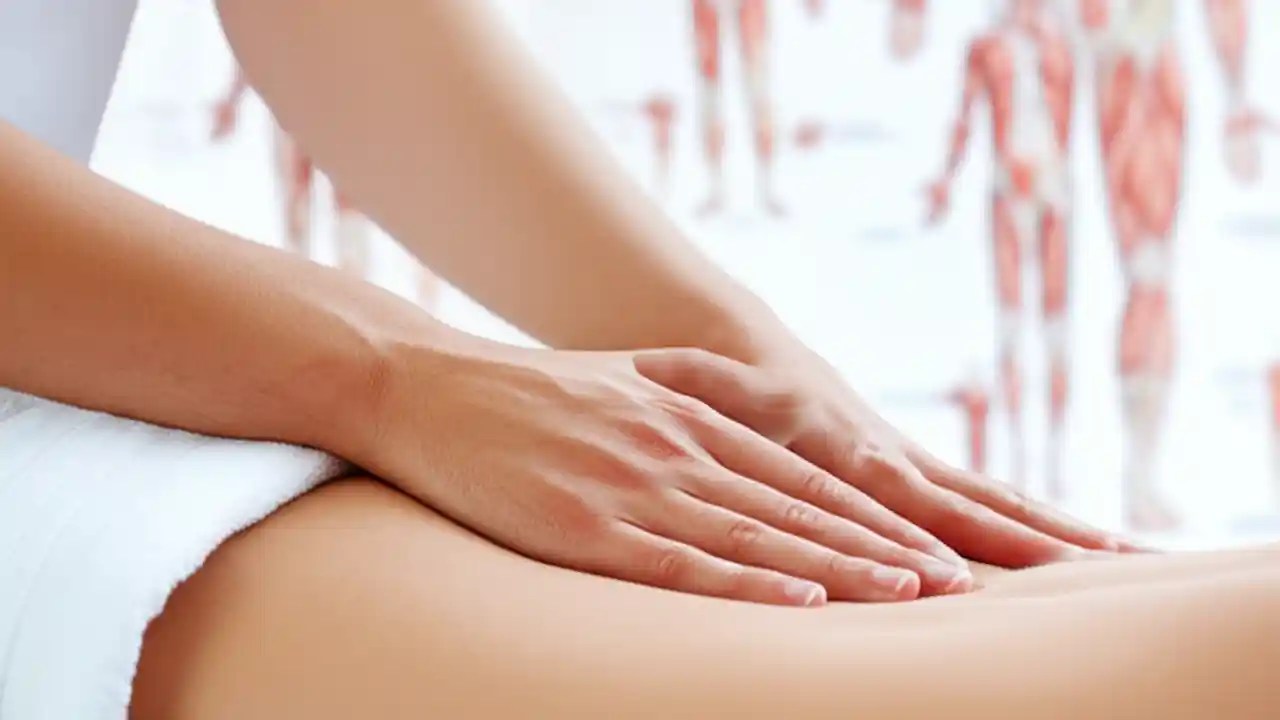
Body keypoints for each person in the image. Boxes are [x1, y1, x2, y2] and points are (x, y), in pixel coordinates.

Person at [1, 1, 1275, 718]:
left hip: (144, 364)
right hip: (86, 419)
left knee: (1076, 621)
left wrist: (740, 370)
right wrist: (400, 378)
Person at [926, 0, 1075, 497]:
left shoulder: (1061, 41)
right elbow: (965, 116)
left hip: (1053, 188)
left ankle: (1055, 463)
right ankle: (1019, 465)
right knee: (1012, 327)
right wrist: (946, 179)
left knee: (1054, 327)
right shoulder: (988, 47)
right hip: (1010, 187)